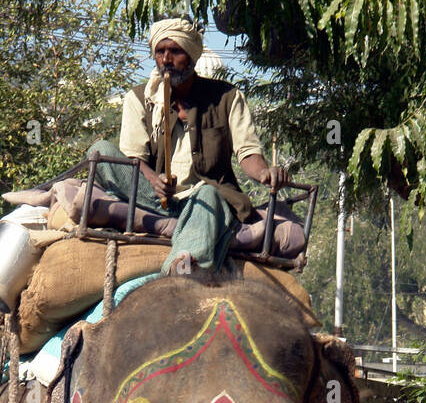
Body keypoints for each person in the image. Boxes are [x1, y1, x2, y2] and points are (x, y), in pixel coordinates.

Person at [92, 17, 289, 274]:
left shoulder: (227, 98)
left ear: (192, 56)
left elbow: (248, 152)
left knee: (207, 193)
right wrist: (154, 181)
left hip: (206, 199)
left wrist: (265, 173)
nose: (166, 59)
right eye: (160, 52)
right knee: (100, 151)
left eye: (175, 51)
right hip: (154, 200)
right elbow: (134, 159)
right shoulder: (139, 98)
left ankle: (183, 267)